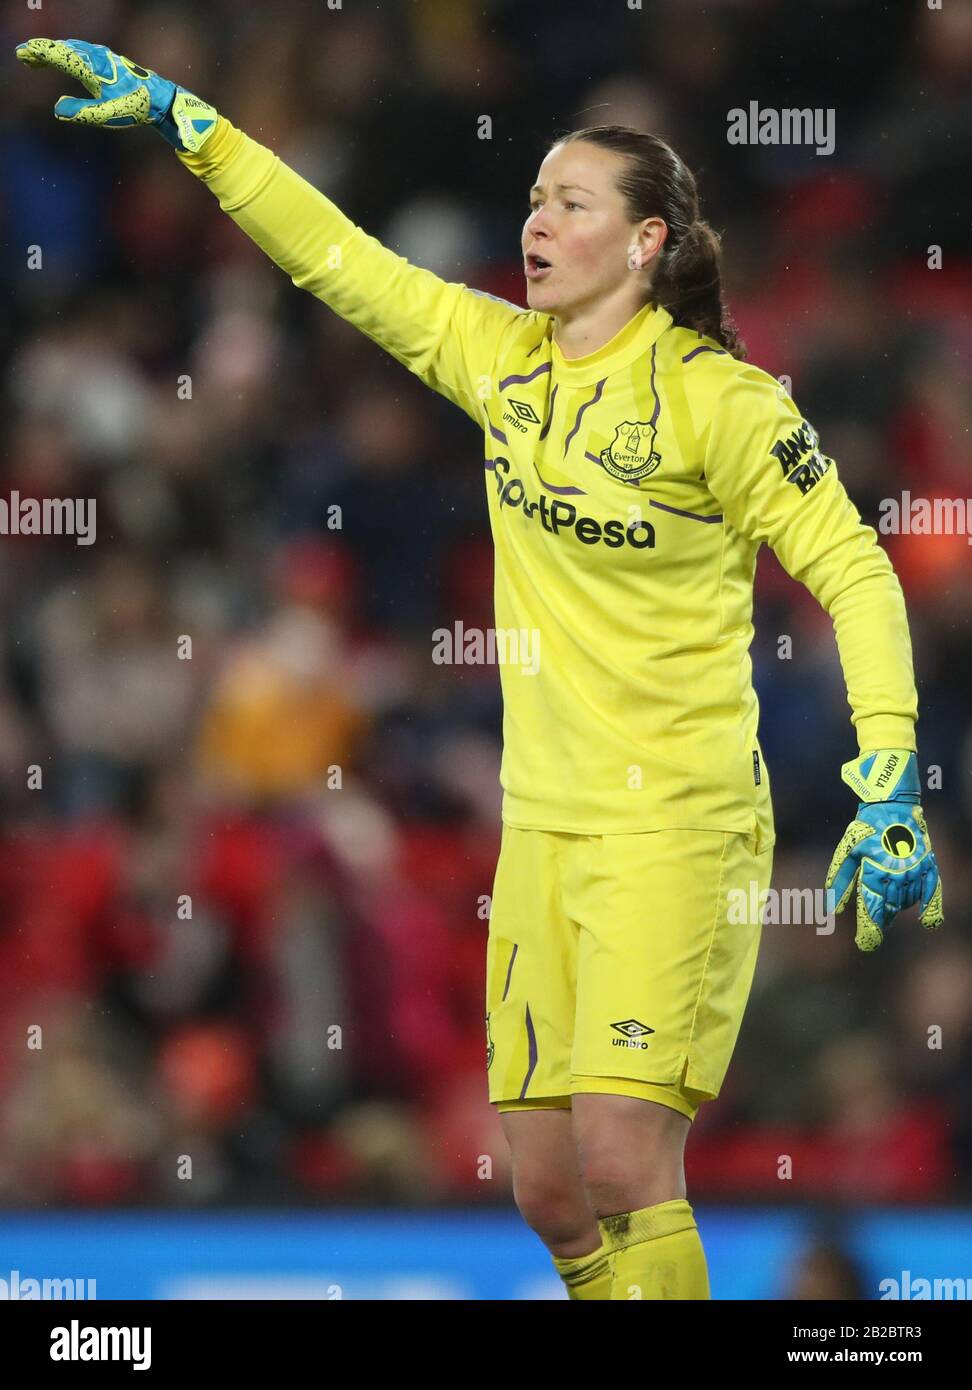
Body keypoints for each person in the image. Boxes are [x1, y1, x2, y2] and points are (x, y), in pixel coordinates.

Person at [15, 38, 945, 1301]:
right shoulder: (502, 361)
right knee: (549, 1191)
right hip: (545, 826)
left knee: (624, 1158)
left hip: (675, 820)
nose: (537, 221)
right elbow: (337, 260)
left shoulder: (721, 403)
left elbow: (858, 569)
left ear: (646, 242)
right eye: (532, 198)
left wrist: (886, 763)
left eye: (571, 203)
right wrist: (196, 126)